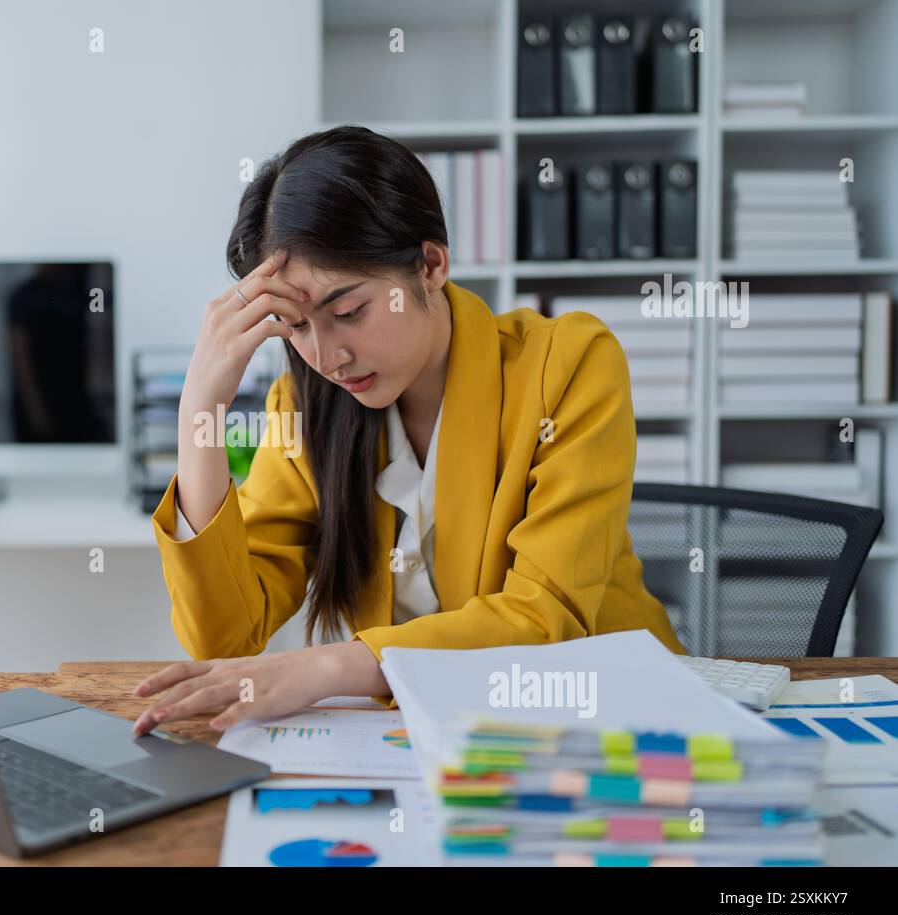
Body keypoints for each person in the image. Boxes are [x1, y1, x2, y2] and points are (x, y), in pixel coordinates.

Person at [132, 126, 685, 736]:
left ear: (429, 264)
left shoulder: (571, 363)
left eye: (348, 313)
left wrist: (330, 668)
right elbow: (225, 634)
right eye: (295, 326)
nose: (327, 356)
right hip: (430, 737)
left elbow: (544, 618)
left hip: (609, 721)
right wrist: (199, 411)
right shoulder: (303, 403)